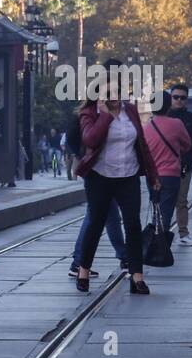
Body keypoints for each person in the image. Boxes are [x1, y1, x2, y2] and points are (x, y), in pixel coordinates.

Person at [74, 68, 160, 295]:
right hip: (99, 177)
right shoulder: (90, 112)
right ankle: (84, 271)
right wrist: (105, 115)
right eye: (110, 90)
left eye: (118, 90)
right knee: (95, 223)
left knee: (132, 225)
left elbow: (141, 144)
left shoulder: (130, 110)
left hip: (128, 176)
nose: (115, 94)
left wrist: (153, 176)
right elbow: (90, 139)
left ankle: (137, 277)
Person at [65, 100, 127, 279]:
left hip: (110, 172)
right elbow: (72, 138)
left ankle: (123, 255)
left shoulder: (116, 111)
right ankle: (78, 262)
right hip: (97, 172)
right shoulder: (87, 113)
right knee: (95, 215)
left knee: (109, 215)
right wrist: (84, 156)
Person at [146, 93, 192, 241]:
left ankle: (155, 240)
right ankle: (160, 245)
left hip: (152, 175)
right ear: (168, 106)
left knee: (156, 208)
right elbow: (187, 145)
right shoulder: (176, 124)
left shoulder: (146, 127)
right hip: (170, 175)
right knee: (166, 211)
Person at [163, 84, 192, 245]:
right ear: (170, 98)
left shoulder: (191, 118)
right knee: (163, 201)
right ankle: (161, 234)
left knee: (182, 201)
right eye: (176, 97)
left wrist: (189, 159)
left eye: (183, 97)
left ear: (187, 100)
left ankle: (183, 233)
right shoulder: (163, 116)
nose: (179, 100)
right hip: (165, 166)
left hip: (183, 166)